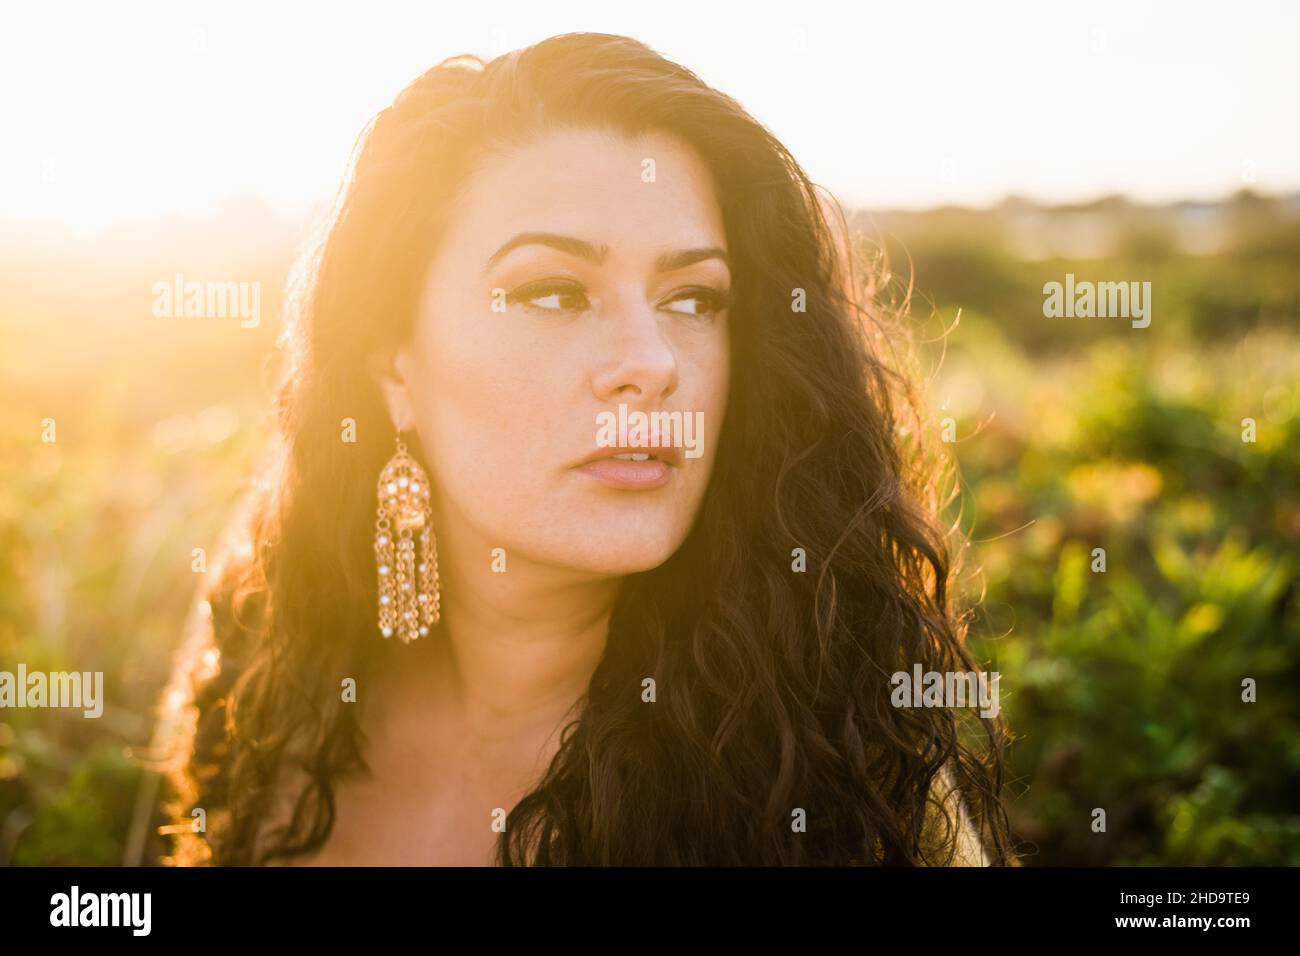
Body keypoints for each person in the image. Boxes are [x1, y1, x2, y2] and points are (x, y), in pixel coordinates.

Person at [150, 32, 1015, 866]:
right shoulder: (266, 668)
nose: (651, 363)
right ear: (395, 368)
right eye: (555, 292)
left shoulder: (845, 775)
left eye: (692, 298)